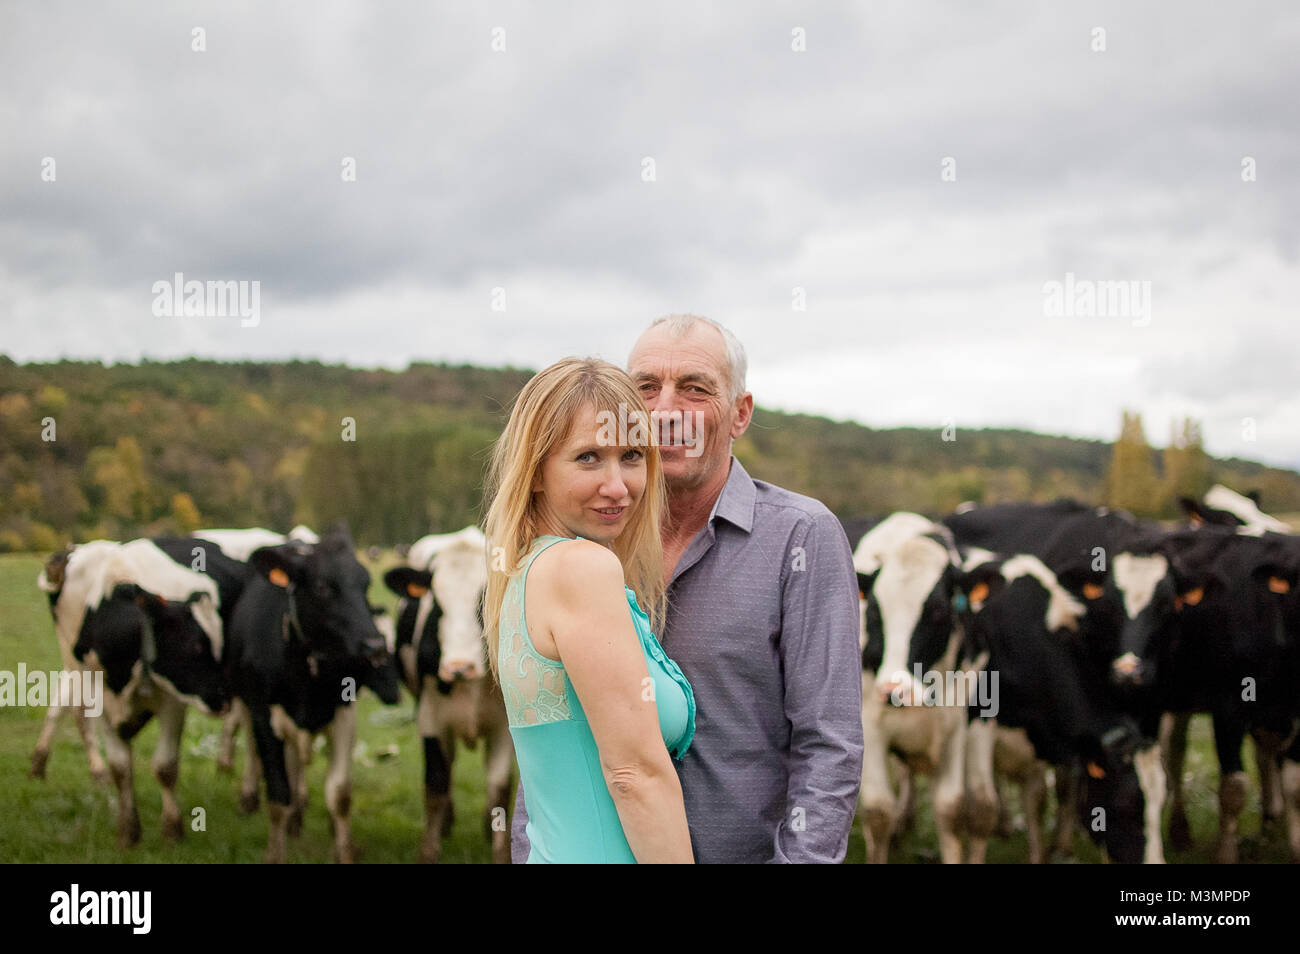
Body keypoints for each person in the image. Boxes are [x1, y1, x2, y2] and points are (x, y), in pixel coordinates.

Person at [512, 315, 864, 863]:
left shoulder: (801, 537)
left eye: (695, 389)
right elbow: (552, 731)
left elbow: (830, 746)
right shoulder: (585, 544)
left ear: (740, 413)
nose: (664, 410)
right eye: (645, 388)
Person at [483, 356, 696, 863]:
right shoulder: (581, 569)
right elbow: (633, 775)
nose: (619, 486)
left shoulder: (526, 570)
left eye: (631, 455)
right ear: (534, 472)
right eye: (587, 458)